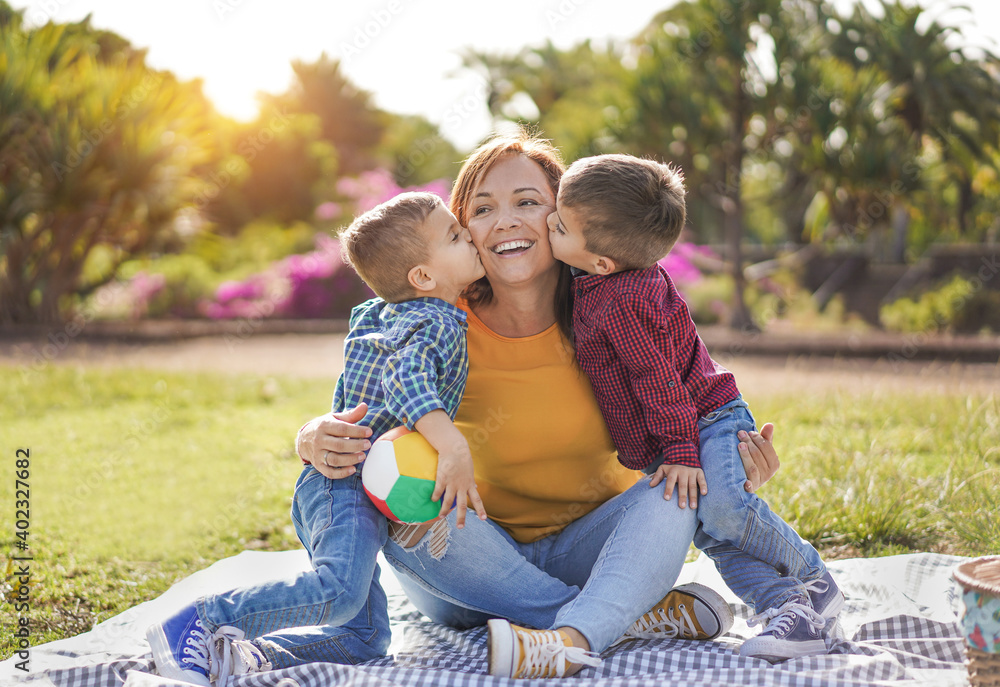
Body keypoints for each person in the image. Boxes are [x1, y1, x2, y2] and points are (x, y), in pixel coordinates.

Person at [297, 131, 781, 680]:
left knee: (677, 489)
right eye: (481, 209)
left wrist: (734, 464)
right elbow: (361, 412)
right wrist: (313, 434)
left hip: (593, 547)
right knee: (393, 496)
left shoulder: (616, 309)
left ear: (567, 219)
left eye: (527, 202)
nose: (504, 221)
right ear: (460, 233)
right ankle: (616, 616)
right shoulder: (434, 321)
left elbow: (689, 408)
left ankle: (570, 634)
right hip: (467, 565)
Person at [145, 192, 488, 686]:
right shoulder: (436, 321)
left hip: (339, 486)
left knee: (365, 637)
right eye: (455, 236)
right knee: (340, 592)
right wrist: (452, 446)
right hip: (342, 484)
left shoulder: (390, 313)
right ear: (423, 278)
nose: (469, 237)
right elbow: (405, 380)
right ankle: (200, 618)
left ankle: (247, 657)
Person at [546, 153, 844, 662]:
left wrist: (681, 452)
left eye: (558, 224)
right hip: (675, 439)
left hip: (705, 420)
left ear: (600, 261)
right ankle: (787, 610)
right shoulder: (598, 279)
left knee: (725, 508)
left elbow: (657, 381)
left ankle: (814, 579)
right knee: (717, 537)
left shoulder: (621, 300)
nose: (547, 225)